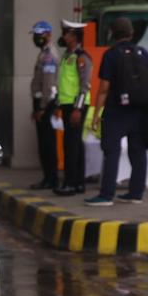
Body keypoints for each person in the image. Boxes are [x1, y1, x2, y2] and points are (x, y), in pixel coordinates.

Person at [88, 16, 148, 206]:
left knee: (112, 151)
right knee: (138, 151)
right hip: (140, 109)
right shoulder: (144, 53)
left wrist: (97, 113)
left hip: (116, 111)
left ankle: (106, 195)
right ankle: (136, 193)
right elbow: (147, 82)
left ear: (112, 34)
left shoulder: (111, 55)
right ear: (132, 33)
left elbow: (104, 88)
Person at [54, 19, 92, 195]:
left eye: (66, 33)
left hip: (77, 106)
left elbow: (85, 85)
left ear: (75, 36)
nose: (63, 36)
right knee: (74, 144)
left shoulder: (81, 57)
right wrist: (58, 104)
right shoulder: (67, 56)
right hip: (67, 104)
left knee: (71, 145)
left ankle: (71, 183)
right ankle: (78, 183)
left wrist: (77, 109)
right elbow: (63, 83)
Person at [28, 20, 59, 190]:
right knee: (43, 144)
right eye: (35, 35)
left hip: (46, 104)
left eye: (40, 34)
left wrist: (42, 107)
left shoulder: (49, 55)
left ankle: (51, 178)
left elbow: (48, 85)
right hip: (42, 103)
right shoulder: (43, 53)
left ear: (48, 35)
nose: (37, 38)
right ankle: (47, 177)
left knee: (47, 144)